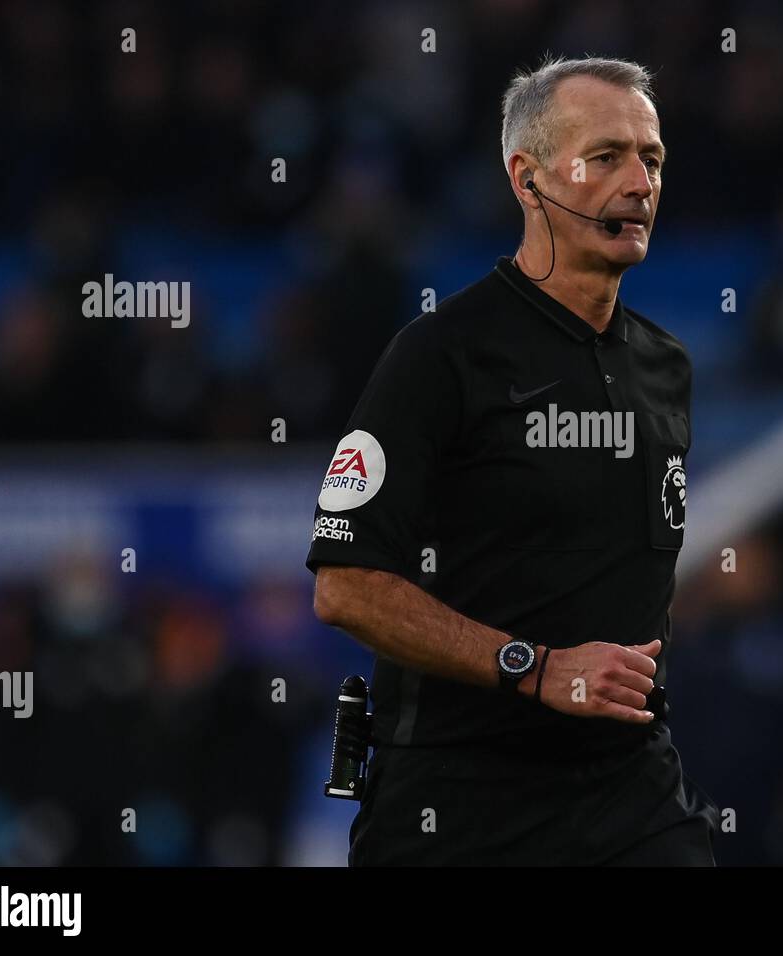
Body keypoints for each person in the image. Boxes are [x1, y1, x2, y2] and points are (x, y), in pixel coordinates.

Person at [306, 56, 719, 865]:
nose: (639, 182)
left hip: (630, 796)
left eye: (653, 159)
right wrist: (534, 667)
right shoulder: (441, 356)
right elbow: (344, 586)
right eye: (606, 158)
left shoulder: (666, 365)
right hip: (458, 804)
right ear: (528, 179)